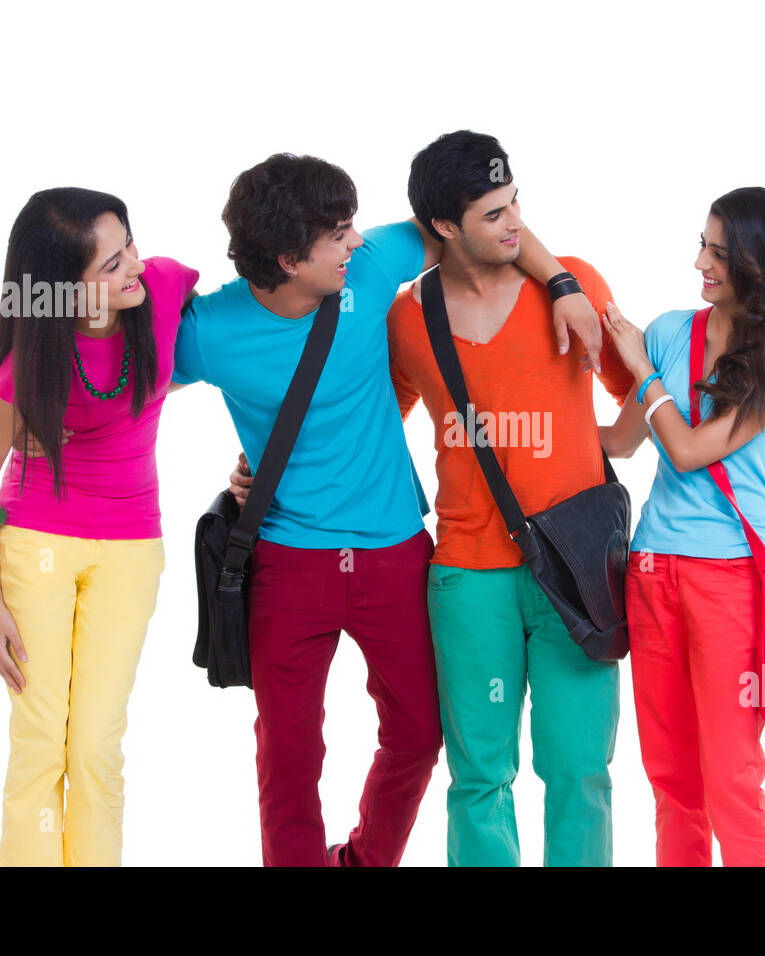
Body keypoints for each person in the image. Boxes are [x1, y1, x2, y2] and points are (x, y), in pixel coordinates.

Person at [188, 151, 604, 866]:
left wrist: (562, 282)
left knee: (418, 732)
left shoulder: (375, 264)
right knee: (287, 750)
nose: (357, 240)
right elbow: (122, 374)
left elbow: (479, 220)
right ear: (290, 260)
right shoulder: (209, 330)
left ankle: (365, 860)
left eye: (353, 226)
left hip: (395, 552)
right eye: (338, 236)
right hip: (289, 563)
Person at [387, 131, 634, 866]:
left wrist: (596, 443)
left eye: (516, 202)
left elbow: (645, 396)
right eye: (493, 214)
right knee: (479, 778)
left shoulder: (573, 283)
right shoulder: (408, 319)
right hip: (469, 577)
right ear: (442, 228)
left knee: (580, 771)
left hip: (578, 568)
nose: (515, 224)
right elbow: (375, 426)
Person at [0, 187, 198, 866]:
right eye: (109, 265)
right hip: (37, 544)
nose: (132, 266)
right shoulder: (27, 369)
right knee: (41, 741)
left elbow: (201, 338)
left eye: (129, 245)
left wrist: (164, 386)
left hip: (131, 552)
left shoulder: (159, 283)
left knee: (95, 744)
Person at [600, 186, 765, 866]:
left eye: (718, 252)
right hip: (650, 572)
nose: (700, 261)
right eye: (701, 243)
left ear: (758, 264)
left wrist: (643, 373)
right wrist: (523, 436)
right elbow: (622, 441)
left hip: (730, 578)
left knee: (731, 777)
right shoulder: (674, 329)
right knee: (672, 781)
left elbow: (692, 448)